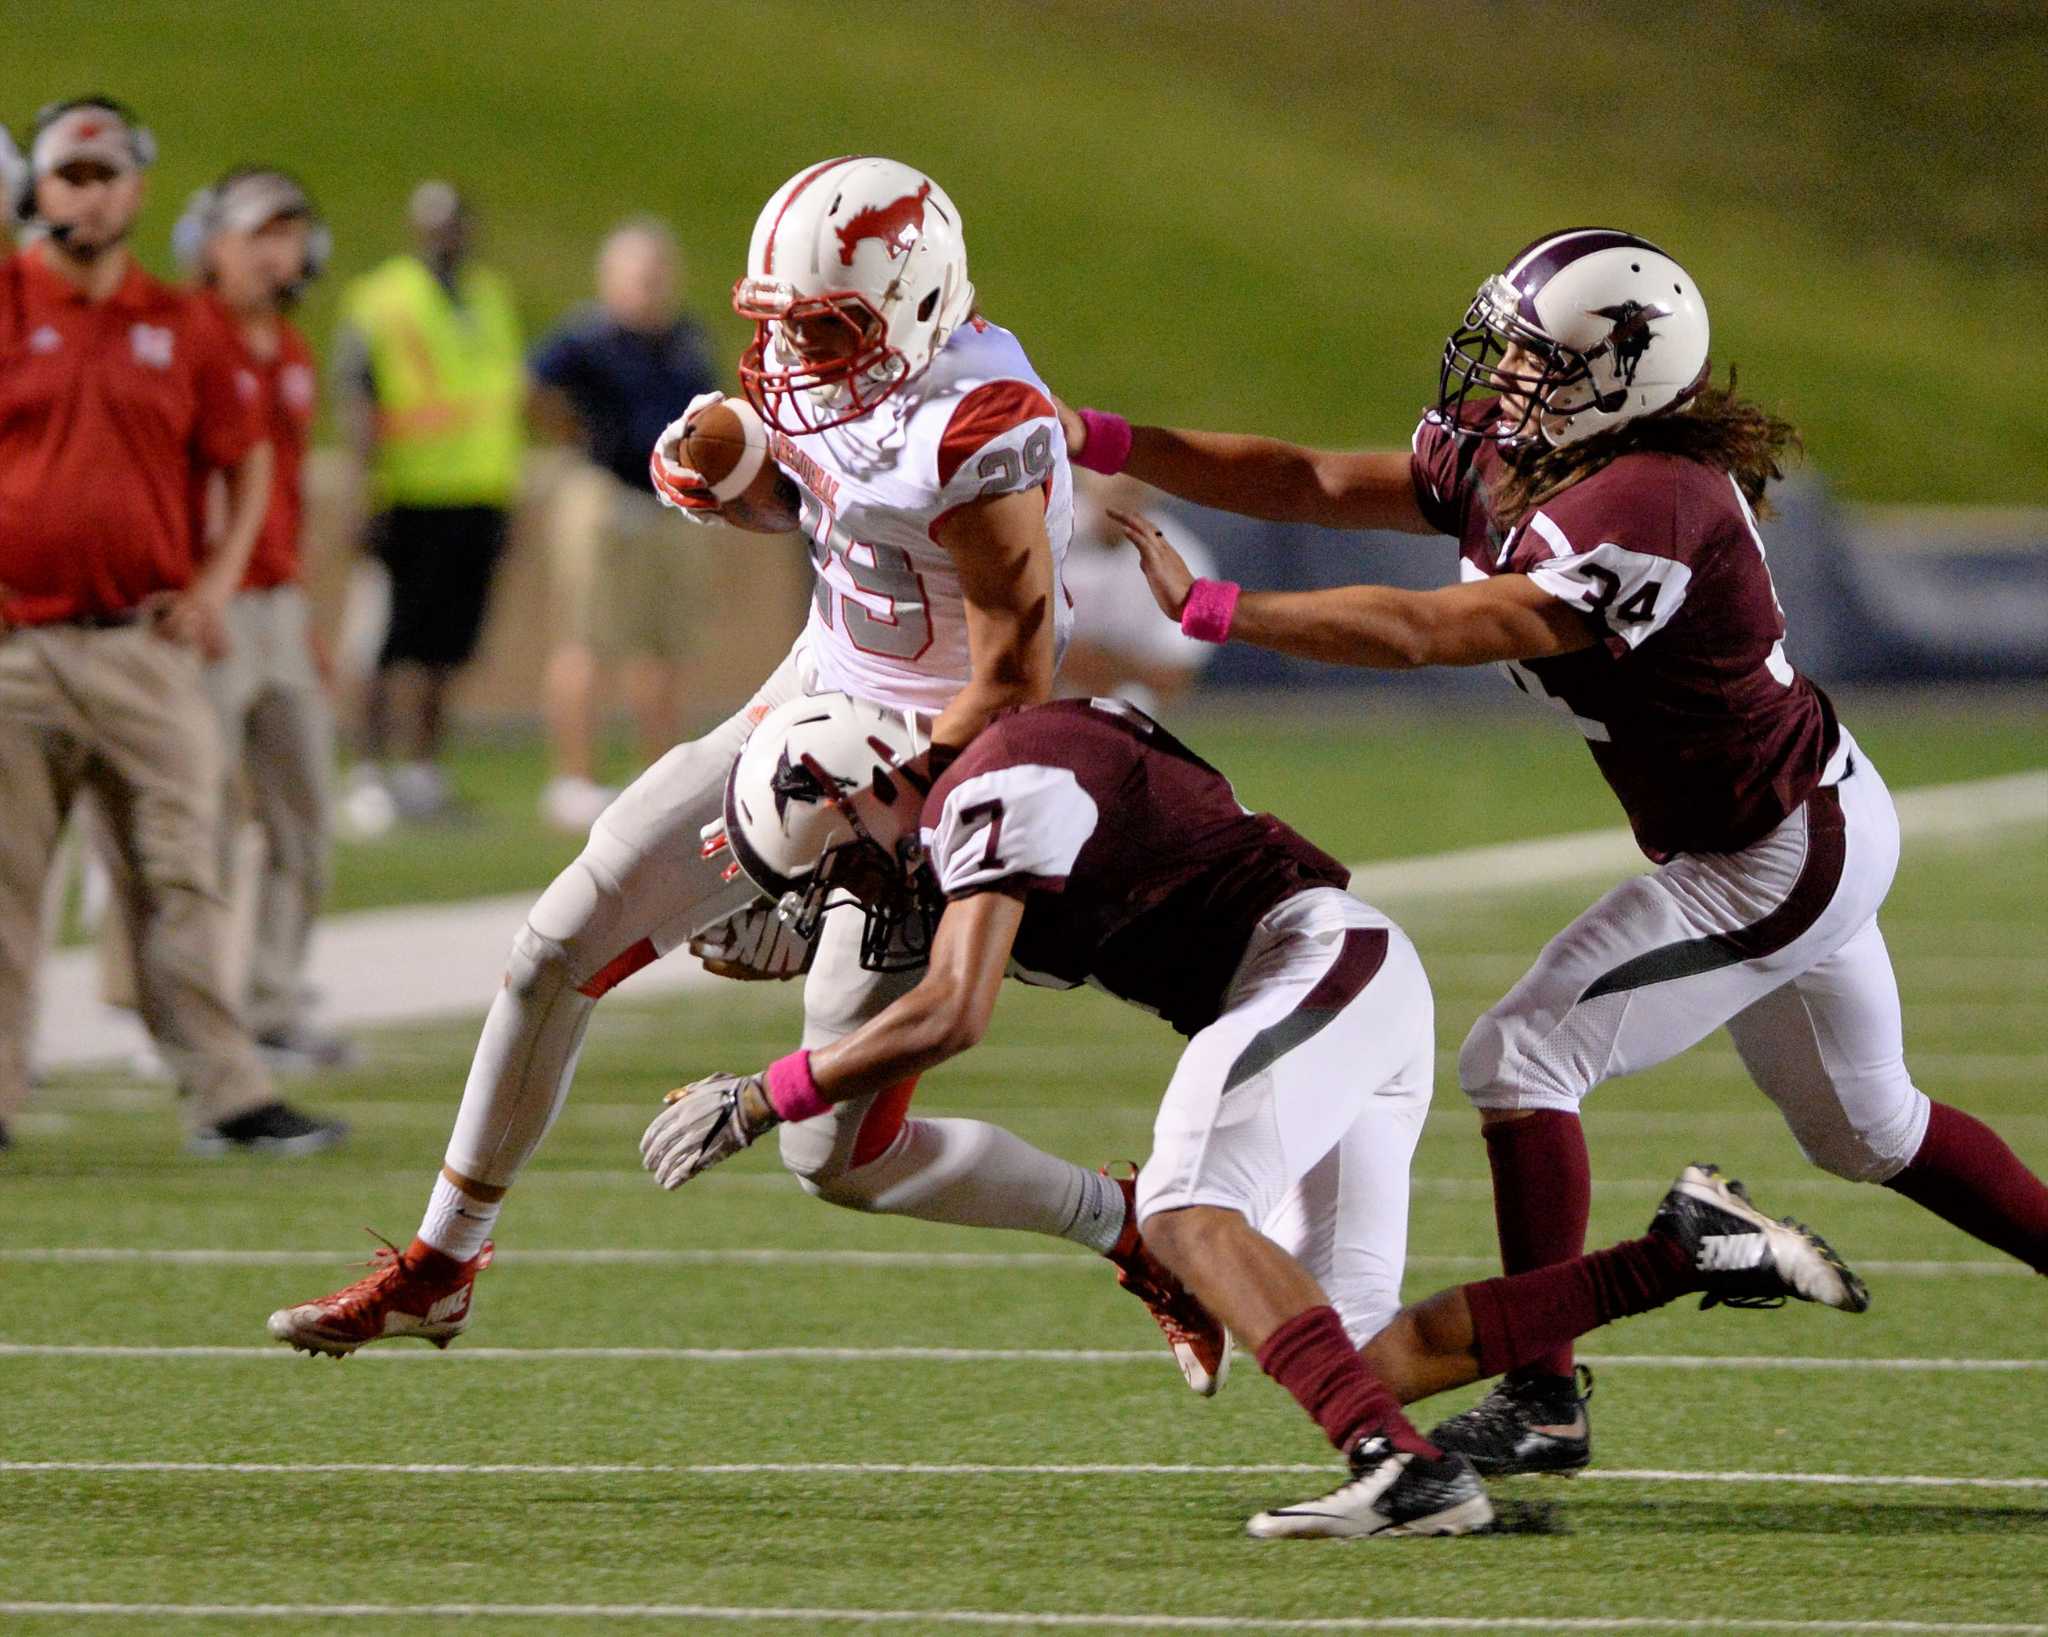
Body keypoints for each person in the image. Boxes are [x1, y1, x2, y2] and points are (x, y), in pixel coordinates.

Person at [1063, 225, 2048, 1475]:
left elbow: (1432, 631)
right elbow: (1310, 479)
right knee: (1867, 1132)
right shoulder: (1531, 451)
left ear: (1618, 378)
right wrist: (1101, 436)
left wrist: (1219, 611)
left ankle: (1540, 1393)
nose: (1505, 376)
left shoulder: (1648, 504)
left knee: (1519, 1054)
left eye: (1539, 358)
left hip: (1769, 850)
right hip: (1791, 817)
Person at [267, 156, 1214, 1379]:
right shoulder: (842, 364)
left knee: (841, 1158)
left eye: (826, 327)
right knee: (554, 949)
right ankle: (440, 1264)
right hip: (814, 690)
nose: (796, 355)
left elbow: (1014, 678)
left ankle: (1126, 1224)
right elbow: (827, 500)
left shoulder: (977, 426)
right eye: (786, 323)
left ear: (918, 305)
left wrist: (856, 831)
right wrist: (740, 480)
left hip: (938, 756)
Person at [634, 691, 1871, 1539]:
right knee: (1356, 1356)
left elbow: (954, 1011)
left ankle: (1398, 1470)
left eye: (842, 866)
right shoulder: (967, 802)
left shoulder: (992, 785)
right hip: (1335, 992)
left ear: (860, 784)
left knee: (1182, 1210)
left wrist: (767, 1093)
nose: (851, 898)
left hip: (1312, 964)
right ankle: (1683, 1251)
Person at [0, 97, 345, 1154]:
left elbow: (247, 457)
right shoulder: (7, 302)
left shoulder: (179, 321)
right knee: (5, 886)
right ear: (36, 187)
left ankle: (228, 1093)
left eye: (107, 175)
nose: (90, 195)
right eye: (71, 174)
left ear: (139, 189)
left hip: (145, 645)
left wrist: (215, 581)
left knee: (184, 869)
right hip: (18, 648)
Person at [334, 181, 523, 830]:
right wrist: (364, 486)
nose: (449, 238)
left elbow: (500, 395)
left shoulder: (488, 296)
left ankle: (421, 770)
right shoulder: (384, 299)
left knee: (447, 644)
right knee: (383, 643)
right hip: (406, 493)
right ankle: (366, 772)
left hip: (476, 491)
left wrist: (507, 491)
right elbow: (357, 394)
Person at [527, 217, 721, 833]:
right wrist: (576, 437)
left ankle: (657, 776)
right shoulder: (587, 339)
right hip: (604, 491)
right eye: (639, 275)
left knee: (663, 647)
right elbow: (535, 391)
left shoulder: (684, 338)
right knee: (587, 639)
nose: (651, 285)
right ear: (611, 279)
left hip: (668, 498)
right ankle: (575, 778)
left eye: (659, 273)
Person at [1056, 472, 1217, 715]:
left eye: (1129, 489)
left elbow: (1176, 673)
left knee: (1133, 699)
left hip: (1127, 702)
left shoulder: (1182, 558)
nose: (1120, 493)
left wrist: (1097, 661)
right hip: (1042, 691)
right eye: (1107, 473)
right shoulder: (1048, 534)